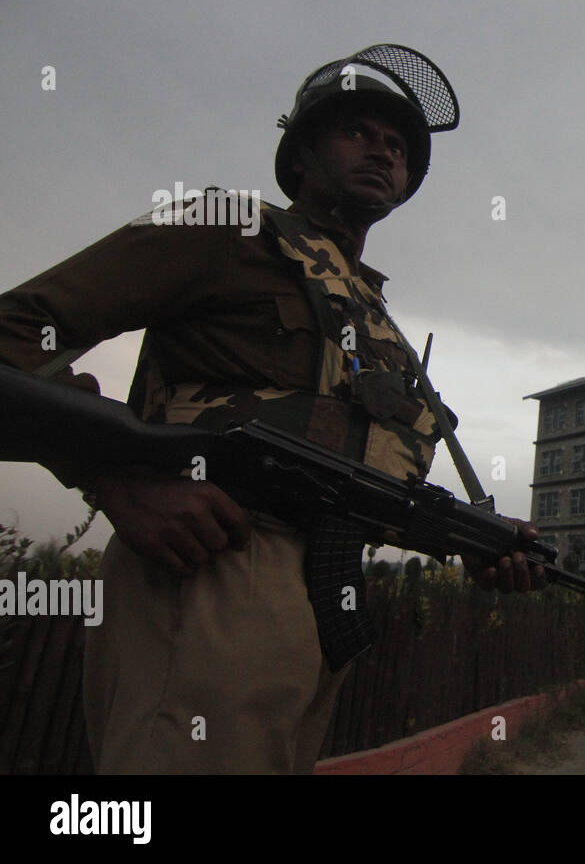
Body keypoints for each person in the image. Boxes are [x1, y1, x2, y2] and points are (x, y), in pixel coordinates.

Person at [0, 44, 542, 773]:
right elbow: (15, 334)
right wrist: (117, 479)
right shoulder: (228, 232)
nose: (382, 152)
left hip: (324, 603)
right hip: (211, 570)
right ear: (301, 157)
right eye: (358, 132)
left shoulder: (378, 321)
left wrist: (479, 541)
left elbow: (361, 478)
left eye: (398, 147)